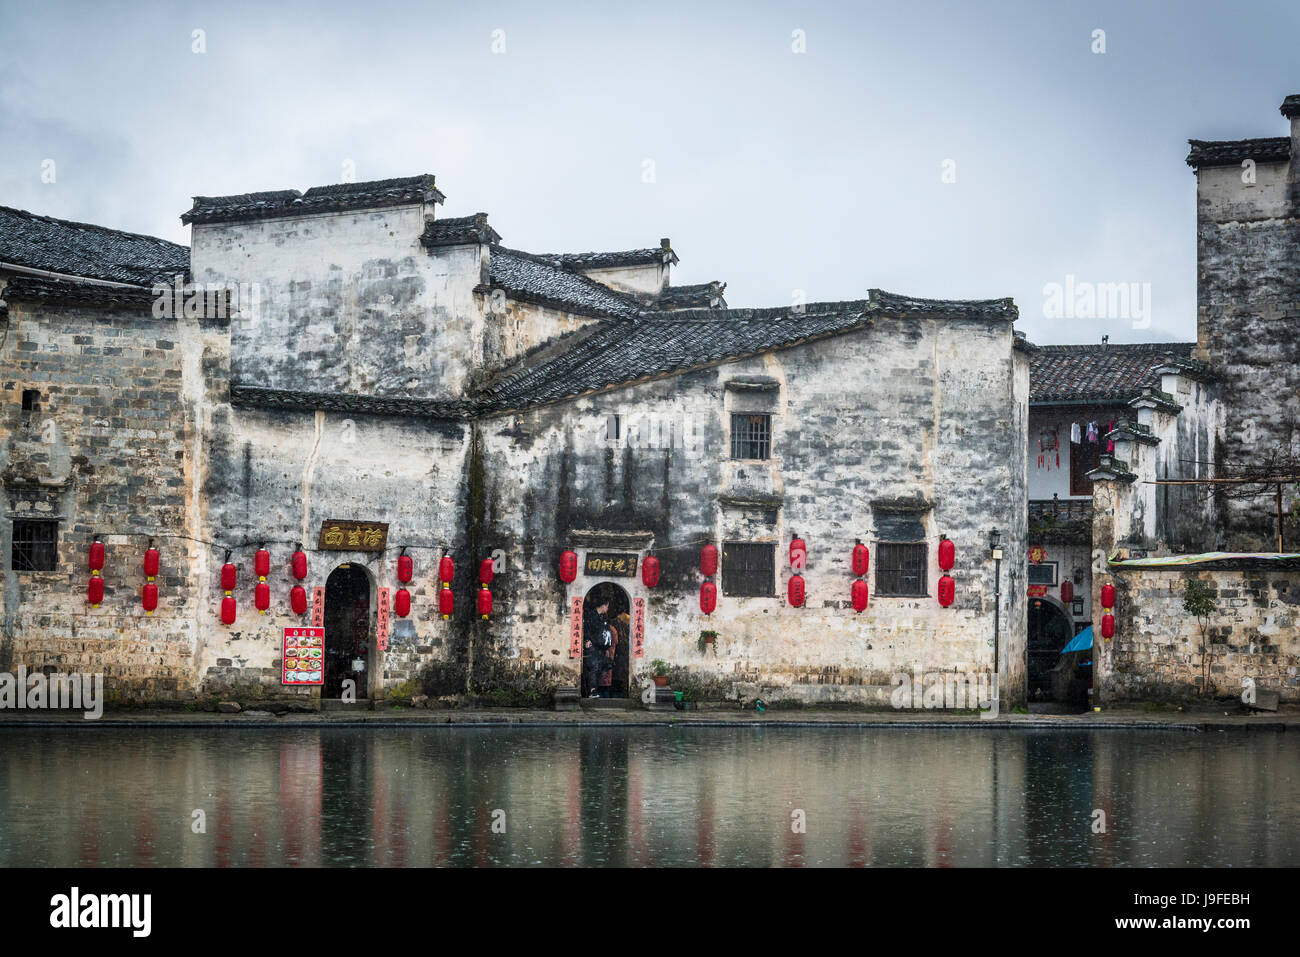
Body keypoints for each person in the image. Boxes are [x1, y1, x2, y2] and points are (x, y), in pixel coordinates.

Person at [583, 596, 611, 698]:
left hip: (600, 647)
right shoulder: (590, 615)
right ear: (604, 605)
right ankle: (592, 691)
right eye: (607, 606)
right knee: (593, 667)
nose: (608, 608)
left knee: (600, 668)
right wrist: (586, 640)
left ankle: (595, 690)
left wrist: (606, 647)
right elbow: (585, 629)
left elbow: (605, 633)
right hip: (592, 645)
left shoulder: (603, 617)